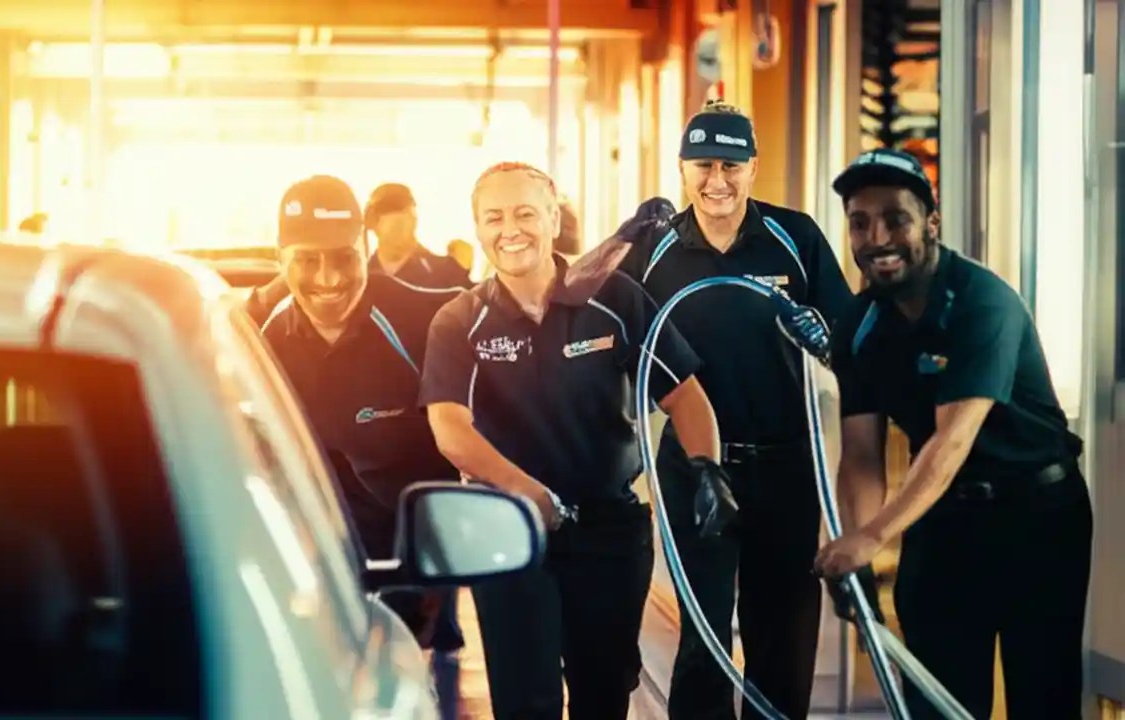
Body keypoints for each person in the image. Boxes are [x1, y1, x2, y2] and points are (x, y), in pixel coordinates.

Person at [420, 161, 731, 720]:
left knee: (604, 692)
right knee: (527, 701)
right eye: (493, 217)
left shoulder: (616, 299)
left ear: (552, 216)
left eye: (524, 213)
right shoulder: (458, 320)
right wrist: (530, 492)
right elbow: (450, 429)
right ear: (476, 227)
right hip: (510, 534)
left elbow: (684, 396)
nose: (509, 229)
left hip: (609, 533)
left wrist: (708, 470)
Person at [817, 148, 1093, 720]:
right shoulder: (859, 324)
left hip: (1036, 517)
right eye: (860, 222)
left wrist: (873, 537)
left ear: (931, 223)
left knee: (1042, 696)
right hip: (944, 524)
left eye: (897, 218)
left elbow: (953, 440)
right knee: (936, 700)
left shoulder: (981, 301)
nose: (878, 237)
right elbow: (863, 456)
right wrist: (857, 558)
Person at [613, 100, 853, 720]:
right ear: (682, 168)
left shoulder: (793, 237)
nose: (716, 181)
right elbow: (586, 312)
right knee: (705, 635)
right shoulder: (655, 249)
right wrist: (618, 240)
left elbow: (851, 337)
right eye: (703, 166)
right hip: (694, 466)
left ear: (753, 167)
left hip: (786, 465)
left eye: (730, 165)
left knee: (784, 636)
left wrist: (823, 333)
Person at [259, 175, 465, 661]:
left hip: (411, 574)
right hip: (310, 571)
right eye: (306, 260)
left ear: (364, 248)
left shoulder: (429, 319)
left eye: (345, 258)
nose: (328, 280)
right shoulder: (258, 339)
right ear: (279, 259)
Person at [365, 183, 472, 288]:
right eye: (395, 226)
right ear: (373, 224)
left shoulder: (446, 272)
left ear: (414, 221)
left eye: (404, 223)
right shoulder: (361, 279)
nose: (400, 233)